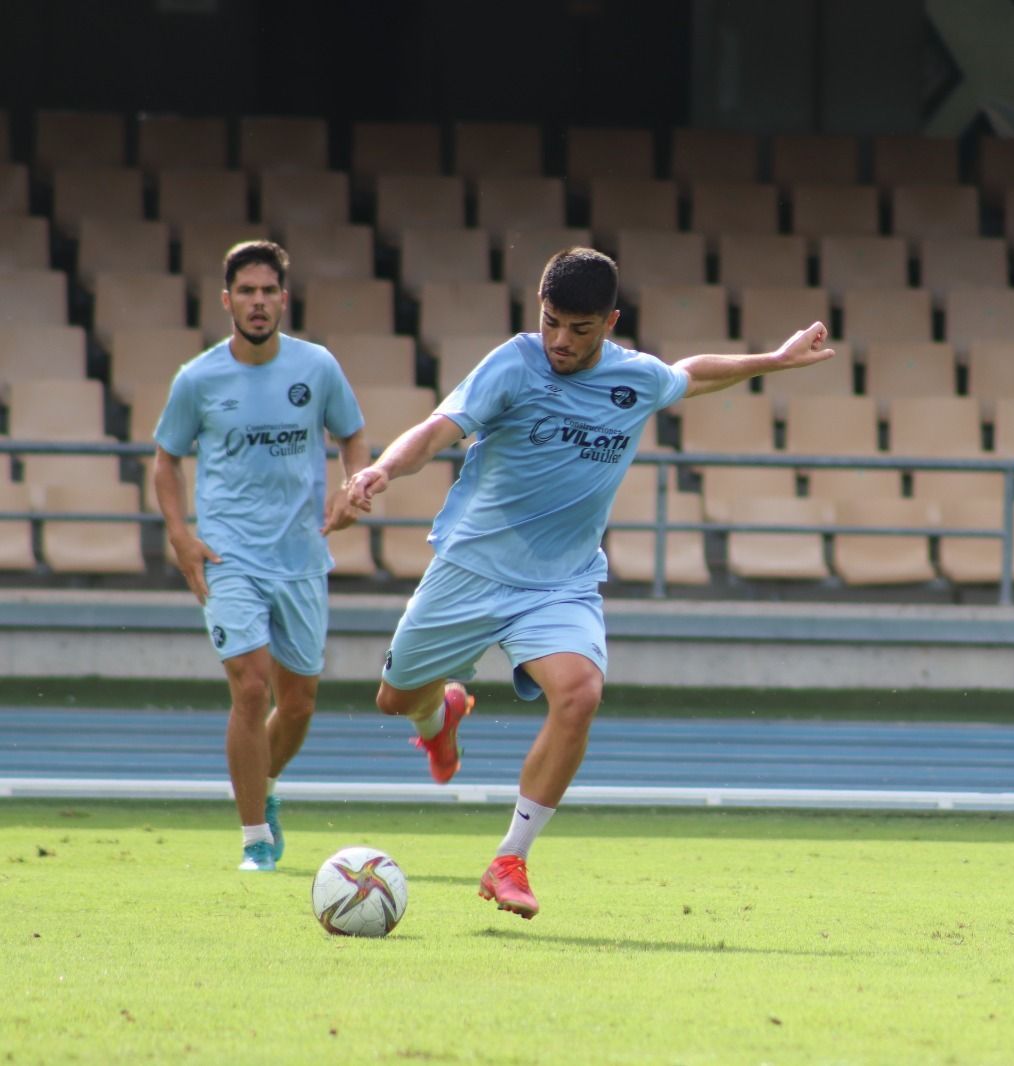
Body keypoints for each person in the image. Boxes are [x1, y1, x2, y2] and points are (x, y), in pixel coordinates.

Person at [344, 247, 833, 919]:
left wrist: (774, 361)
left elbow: (688, 374)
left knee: (580, 694)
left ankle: (510, 858)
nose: (559, 342)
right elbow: (436, 431)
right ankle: (441, 716)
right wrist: (380, 470)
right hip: (470, 569)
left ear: (610, 321)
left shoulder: (634, 379)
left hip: (559, 584)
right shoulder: (513, 365)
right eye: (550, 323)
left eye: (578, 328)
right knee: (394, 700)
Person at [152, 240, 367, 873]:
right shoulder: (198, 379)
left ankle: (262, 788)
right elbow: (166, 459)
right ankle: (254, 840)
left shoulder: (317, 367)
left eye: (268, 291)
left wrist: (353, 485)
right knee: (250, 688)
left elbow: (352, 434)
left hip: (301, 556)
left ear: (283, 298)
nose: (258, 302)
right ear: (227, 301)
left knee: (296, 703)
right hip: (229, 557)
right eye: (246, 291)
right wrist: (181, 536)